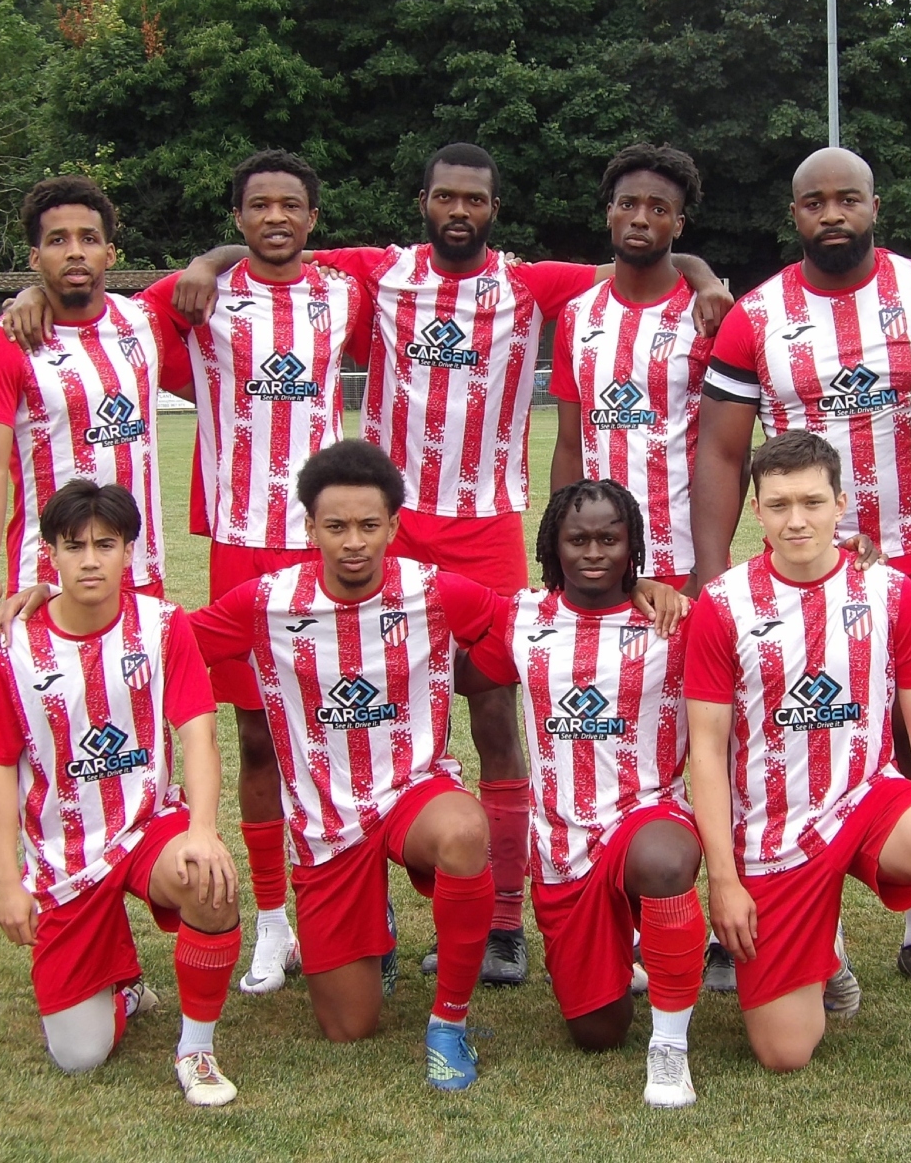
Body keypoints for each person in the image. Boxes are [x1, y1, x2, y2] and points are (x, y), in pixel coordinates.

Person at [170, 142, 732, 983]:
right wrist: (204, 258)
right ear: (423, 203)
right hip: (391, 529)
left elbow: (641, 251)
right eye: (445, 197)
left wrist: (706, 274)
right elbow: (271, 246)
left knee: (498, 717)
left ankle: (503, 921)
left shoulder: (531, 284)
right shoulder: (379, 273)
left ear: (493, 210)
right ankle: (333, 917)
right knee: (332, 724)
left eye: (475, 197)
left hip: (485, 528)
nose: (459, 210)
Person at [1, 150, 379, 997]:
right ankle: (274, 923)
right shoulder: (193, 301)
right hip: (243, 540)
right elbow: (83, 305)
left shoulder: (348, 287)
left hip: (329, 541)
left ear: (314, 219)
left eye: (292, 206)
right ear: (236, 218)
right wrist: (33, 297)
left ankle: (365, 910)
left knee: (350, 729)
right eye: (258, 207)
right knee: (256, 735)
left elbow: (435, 274)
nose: (276, 218)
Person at [691, 145, 911, 993]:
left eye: (849, 200)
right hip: (797, 572)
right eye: (816, 203)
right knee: (789, 744)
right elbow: (722, 449)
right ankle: (820, 930)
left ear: (876, 206)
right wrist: (713, 569)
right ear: (795, 214)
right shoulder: (758, 314)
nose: (833, 215)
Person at [682, 431, 911, 1126]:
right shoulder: (724, 605)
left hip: (867, 798)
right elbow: (705, 750)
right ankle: (822, 954)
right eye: (777, 506)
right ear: (757, 513)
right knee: (785, 1051)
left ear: (840, 504)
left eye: (810, 502)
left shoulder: (890, 593)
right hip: (775, 828)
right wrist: (724, 876)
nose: (795, 520)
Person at [185, 441, 500, 1091]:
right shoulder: (266, 602)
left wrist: (636, 590)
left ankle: (449, 1022)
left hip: (417, 791)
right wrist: (54, 603)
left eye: (367, 525)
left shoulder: (433, 591)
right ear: (309, 528)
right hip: (326, 820)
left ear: (392, 525)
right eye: (336, 527)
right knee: (347, 1026)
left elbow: (519, 627)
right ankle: (372, 928)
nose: (353, 542)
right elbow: (169, 640)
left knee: (466, 832)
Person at [0, 480, 242, 1106]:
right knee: (79, 1056)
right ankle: (121, 985)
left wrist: (202, 829)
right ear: (51, 554)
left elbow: (198, 735)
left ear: (128, 551)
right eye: (75, 546)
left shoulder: (163, 626)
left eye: (106, 544)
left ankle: (196, 1050)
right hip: (66, 856)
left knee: (209, 881)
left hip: (148, 827)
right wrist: (8, 881)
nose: (91, 560)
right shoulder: (12, 647)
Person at [459, 479, 705, 1108]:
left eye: (610, 539)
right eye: (578, 539)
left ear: (633, 548)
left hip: (648, 812)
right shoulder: (522, 619)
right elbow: (455, 671)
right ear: (554, 546)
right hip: (563, 843)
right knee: (596, 1032)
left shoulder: (670, 621)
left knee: (664, 861)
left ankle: (670, 1046)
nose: (594, 551)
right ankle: (620, 954)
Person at [0, 176, 175, 640]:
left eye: (89, 238)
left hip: (138, 566)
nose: (75, 251)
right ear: (35, 257)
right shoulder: (6, 342)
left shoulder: (146, 320)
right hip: (45, 578)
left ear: (111, 253)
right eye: (58, 240)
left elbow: (246, 257)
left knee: (142, 707)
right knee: (51, 709)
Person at [548, 145, 712, 590]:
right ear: (609, 214)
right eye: (628, 204)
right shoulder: (577, 315)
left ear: (678, 224)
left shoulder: (705, 316)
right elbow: (568, 444)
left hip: (680, 558)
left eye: (658, 209)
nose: (640, 218)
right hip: (596, 559)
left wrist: (707, 567)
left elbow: (726, 455)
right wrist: (559, 552)